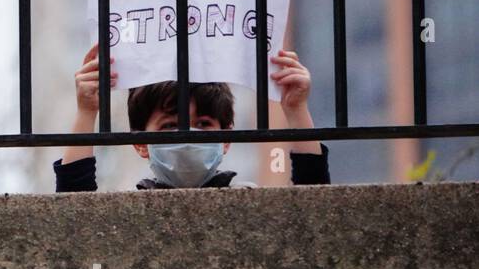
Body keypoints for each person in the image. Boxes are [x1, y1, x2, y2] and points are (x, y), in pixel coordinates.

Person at [54, 42, 331, 191]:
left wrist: (296, 110)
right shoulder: (125, 211)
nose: (187, 136)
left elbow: (315, 203)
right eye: (169, 126)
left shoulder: (251, 201)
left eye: (203, 124)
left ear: (227, 138)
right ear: (139, 142)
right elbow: (72, 209)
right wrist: (87, 111)